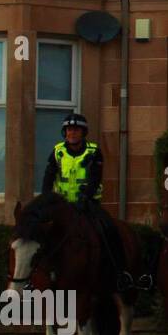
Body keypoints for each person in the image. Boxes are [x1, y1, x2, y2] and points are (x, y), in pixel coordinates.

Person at [41, 112, 132, 290]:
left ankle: (121, 273)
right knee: (40, 234)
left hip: (88, 205)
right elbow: (48, 177)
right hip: (62, 206)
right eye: (68, 130)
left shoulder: (93, 151)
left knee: (109, 229)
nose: (71, 133)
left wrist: (86, 196)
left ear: (83, 132)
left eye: (75, 130)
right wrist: (46, 198)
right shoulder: (58, 152)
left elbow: (95, 178)